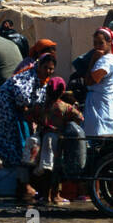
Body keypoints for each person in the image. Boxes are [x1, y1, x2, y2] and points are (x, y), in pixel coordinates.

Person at [0, 51, 57, 200]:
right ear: (39, 66)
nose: (48, 71)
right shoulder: (28, 77)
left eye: (51, 69)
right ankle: (21, 185)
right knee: (18, 145)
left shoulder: (43, 82)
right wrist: (32, 116)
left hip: (22, 113)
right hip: (9, 112)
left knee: (27, 145)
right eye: (46, 67)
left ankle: (24, 183)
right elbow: (22, 99)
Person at [34, 76, 84, 204]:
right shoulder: (64, 107)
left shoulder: (41, 106)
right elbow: (80, 117)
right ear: (62, 91)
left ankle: (45, 195)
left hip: (44, 138)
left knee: (45, 168)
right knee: (56, 168)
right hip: (58, 141)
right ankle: (56, 195)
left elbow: (29, 115)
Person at [83, 27, 113, 137]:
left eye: (101, 43)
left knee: (98, 136)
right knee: (111, 137)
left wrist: (93, 60)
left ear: (109, 42)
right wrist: (110, 88)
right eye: (95, 43)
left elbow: (90, 81)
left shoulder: (104, 61)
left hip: (98, 104)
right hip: (109, 101)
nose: (97, 46)